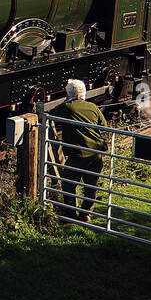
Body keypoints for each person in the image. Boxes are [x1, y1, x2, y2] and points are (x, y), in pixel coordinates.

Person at [52, 79, 108, 221]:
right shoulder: (93, 106)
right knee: (91, 186)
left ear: (68, 94)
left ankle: (71, 213)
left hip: (79, 155)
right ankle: (85, 213)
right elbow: (104, 126)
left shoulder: (67, 107)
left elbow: (50, 114)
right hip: (96, 154)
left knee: (68, 183)